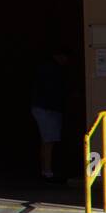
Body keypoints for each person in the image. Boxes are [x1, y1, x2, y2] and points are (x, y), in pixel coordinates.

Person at [31, 52, 68, 182]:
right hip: (47, 108)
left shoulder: (47, 68)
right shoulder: (52, 70)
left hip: (45, 107)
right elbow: (53, 90)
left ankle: (46, 170)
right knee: (48, 141)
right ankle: (47, 172)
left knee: (46, 141)